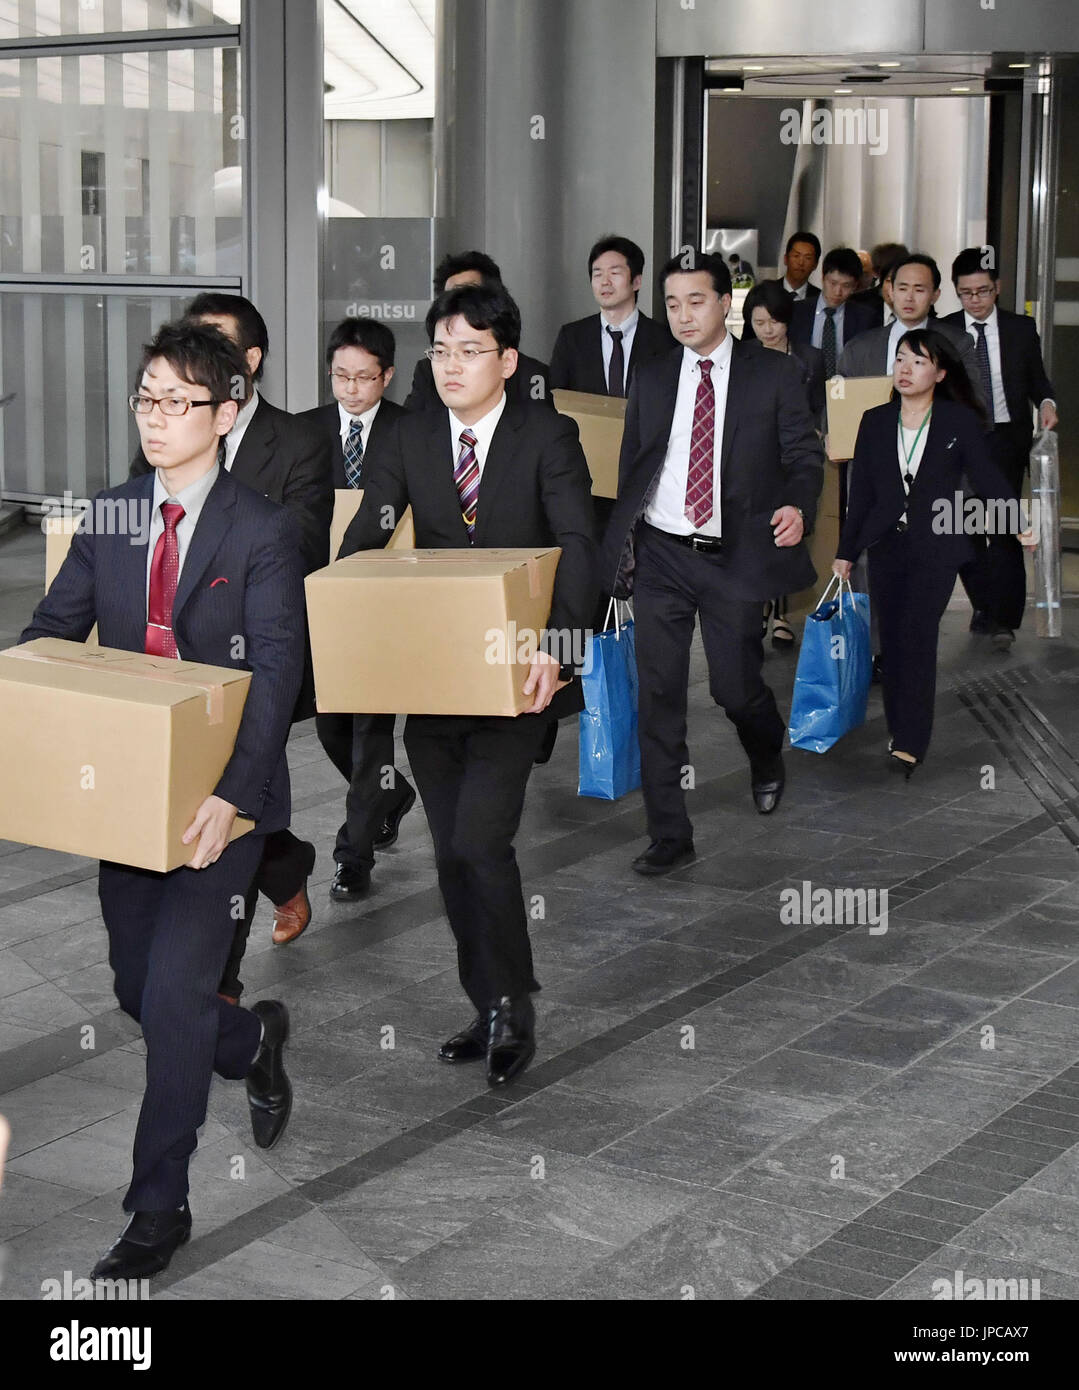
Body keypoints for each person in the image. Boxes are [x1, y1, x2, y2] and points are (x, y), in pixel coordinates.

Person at [22, 322, 304, 1279]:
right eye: (147, 397)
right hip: (126, 792)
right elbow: (53, 633)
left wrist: (233, 799)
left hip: (217, 805)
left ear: (226, 415)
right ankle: (254, 1036)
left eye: (180, 402)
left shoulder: (261, 528)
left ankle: (157, 1207)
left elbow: (274, 676)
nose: (157, 417)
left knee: (176, 993)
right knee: (135, 988)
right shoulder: (108, 515)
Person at [340, 283, 596, 1086]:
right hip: (436, 678)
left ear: (507, 360)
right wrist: (335, 603)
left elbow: (579, 543)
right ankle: (484, 1000)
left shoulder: (547, 434)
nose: (452, 365)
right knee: (452, 854)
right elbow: (370, 530)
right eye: (441, 350)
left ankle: (515, 1001)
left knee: (481, 840)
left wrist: (558, 646)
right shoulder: (410, 438)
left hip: (518, 678)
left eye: (470, 350)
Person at [131, 294, 333, 986]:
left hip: (250, 662)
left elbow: (303, 543)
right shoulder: (161, 429)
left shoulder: (297, 440)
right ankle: (285, 869)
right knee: (213, 820)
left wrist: (226, 527)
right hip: (163, 686)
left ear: (245, 365)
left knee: (236, 800)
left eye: (210, 344)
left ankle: (220, 994)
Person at [600, 252, 823, 876]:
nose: (683, 315)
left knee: (734, 685)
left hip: (736, 556)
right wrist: (627, 545)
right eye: (671, 304)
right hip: (663, 554)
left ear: (727, 303)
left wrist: (798, 508)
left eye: (696, 301)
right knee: (660, 694)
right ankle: (669, 832)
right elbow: (633, 465)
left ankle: (765, 750)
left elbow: (804, 458)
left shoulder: (774, 374)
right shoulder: (651, 375)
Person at [833, 328, 1029, 776]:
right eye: (901, 358)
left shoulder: (957, 422)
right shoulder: (875, 420)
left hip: (937, 546)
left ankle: (910, 741)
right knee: (894, 644)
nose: (905, 368)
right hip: (886, 546)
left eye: (918, 362)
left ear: (939, 373)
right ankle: (901, 727)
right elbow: (860, 493)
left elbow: (986, 476)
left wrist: (1016, 520)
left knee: (917, 640)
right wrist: (847, 551)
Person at [297, 318, 416, 901]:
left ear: (386, 376)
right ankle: (389, 795)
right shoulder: (304, 432)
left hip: (384, 602)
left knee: (372, 731)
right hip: (321, 598)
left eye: (364, 378)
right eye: (341, 376)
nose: (351, 389)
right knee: (329, 727)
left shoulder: (411, 431)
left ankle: (354, 855)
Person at [941, 248, 1058, 651]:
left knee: (1004, 527)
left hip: (1007, 438)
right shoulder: (944, 331)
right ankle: (984, 607)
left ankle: (1004, 620)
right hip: (960, 441)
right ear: (956, 292)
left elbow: (1039, 384)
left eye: (983, 291)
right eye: (966, 293)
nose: (975, 300)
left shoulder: (1020, 329)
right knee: (966, 528)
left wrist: (1047, 405)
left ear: (998, 288)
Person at [743, 279, 826, 649]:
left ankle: (782, 615)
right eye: (759, 323)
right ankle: (761, 604)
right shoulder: (743, 356)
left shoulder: (809, 358)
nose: (767, 330)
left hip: (794, 456)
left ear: (787, 320)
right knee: (760, 534)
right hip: (755, 458)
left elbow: (821, 403)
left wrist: (820, 434)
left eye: (773, 322)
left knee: (790, 532)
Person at [403, 251, 553, 411]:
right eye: (451, 297)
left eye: (468, 352)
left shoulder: (532, 375)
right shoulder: (428, 371)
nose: (451, 367)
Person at [837, 254, 983, 397]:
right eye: (902, 289)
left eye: (919, 290)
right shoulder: (858, 348)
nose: (909, 298)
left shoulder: (957, 343)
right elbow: (839, 406)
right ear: (891, 292)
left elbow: (974, 401)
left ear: (935, 295)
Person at [549, 234, 674, 397]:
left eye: (614, 273)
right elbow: (556, 397)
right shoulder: (571, 338)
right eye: (598, 274)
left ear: (636, 282)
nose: (605, 282)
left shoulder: (664, 339)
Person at [790, 246, 878, 378]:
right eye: (833, 283)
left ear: (855, 286)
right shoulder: (796, 312)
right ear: (823, 278)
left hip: (846, 389)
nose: (838, 292)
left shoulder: (865, 318)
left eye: (846, 286)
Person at [740, 230, 822, 341]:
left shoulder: (819, 298)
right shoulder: (764, 293)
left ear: (815, 264)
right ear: (786, 259)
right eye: (796, 256)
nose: (801, 262)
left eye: (807, 258)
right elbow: (748, 338)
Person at [850, 242, 910, 327]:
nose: (893, 288)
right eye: (889, 280)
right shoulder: (858, 304)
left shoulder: (917, 303)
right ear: (876, 272)